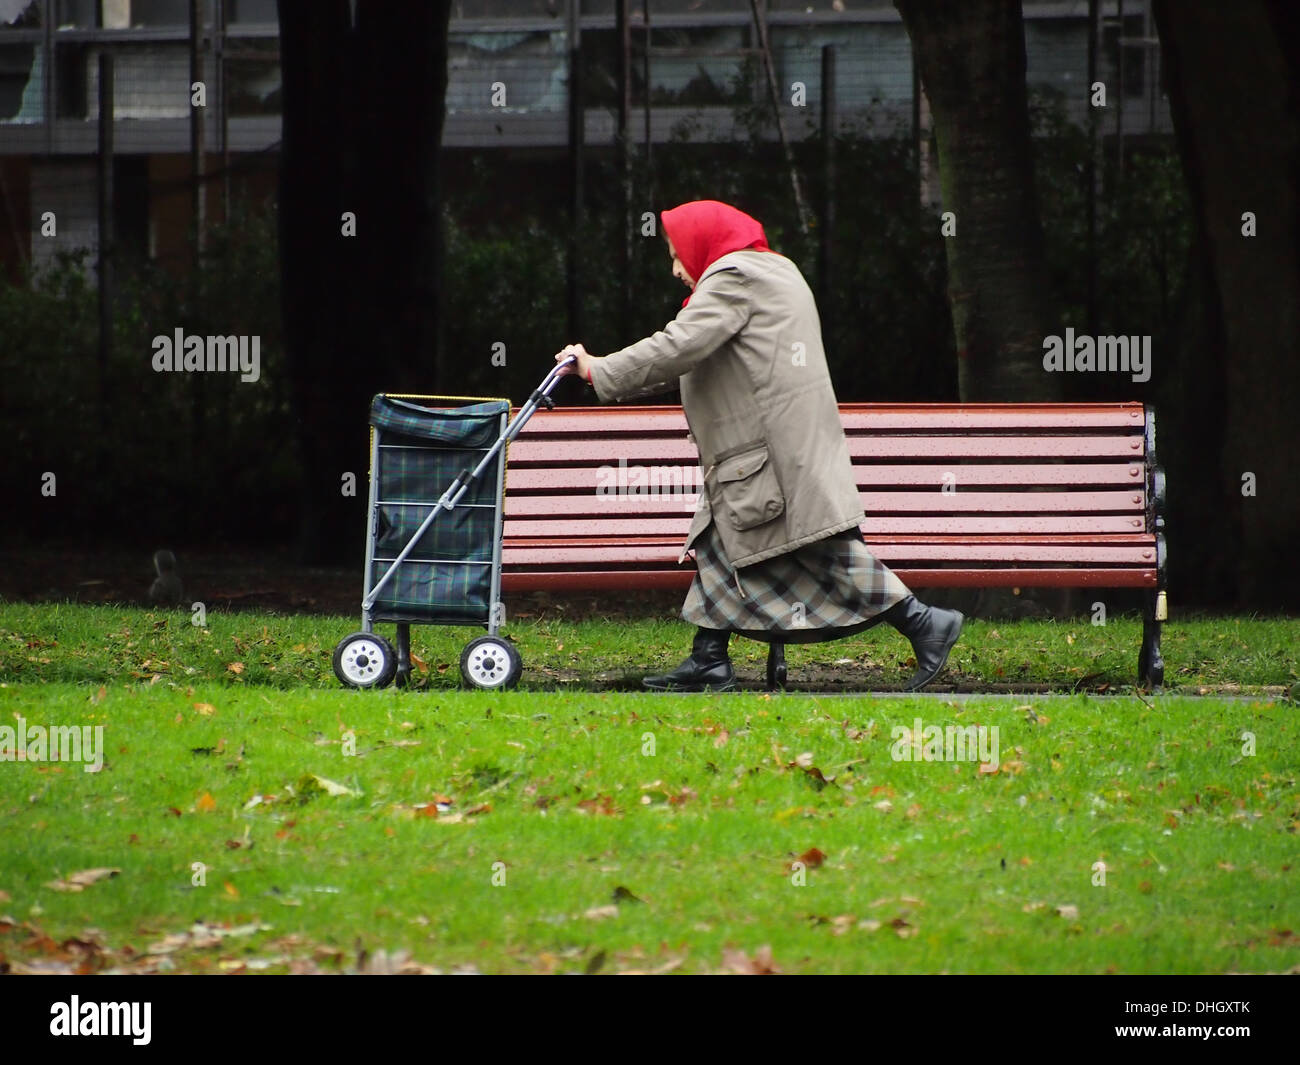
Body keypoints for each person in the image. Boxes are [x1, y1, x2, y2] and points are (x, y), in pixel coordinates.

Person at [554, 199, 963, 692]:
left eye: (677, 253)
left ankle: (925, 624)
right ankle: (708, 658)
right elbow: (694, 359)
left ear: (702, 242)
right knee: (717, 540)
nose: (676, 268)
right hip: (771, 452)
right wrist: (608, 378)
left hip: (771, 458)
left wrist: (598, 367)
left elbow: (677, 347)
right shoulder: (773, 269)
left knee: (824, 554)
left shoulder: (734, 277)